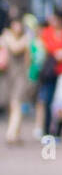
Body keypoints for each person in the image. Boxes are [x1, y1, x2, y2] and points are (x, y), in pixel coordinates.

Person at [36, 6, 62, 141]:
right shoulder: (47, 33)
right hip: (49, 73)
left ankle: (58, 131)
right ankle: (47, 131)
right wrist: (56, 53)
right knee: (48, 101)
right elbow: (44, 47)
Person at [2, 11, 34, 145]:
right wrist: (26, 40)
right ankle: (15, 132)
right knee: (13, 105)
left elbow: (28, 59)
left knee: (16, 104)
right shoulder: (7, 36)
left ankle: (11, 133)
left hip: (20, 75)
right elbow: (15, 49)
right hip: (7, 74)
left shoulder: (22, 38)